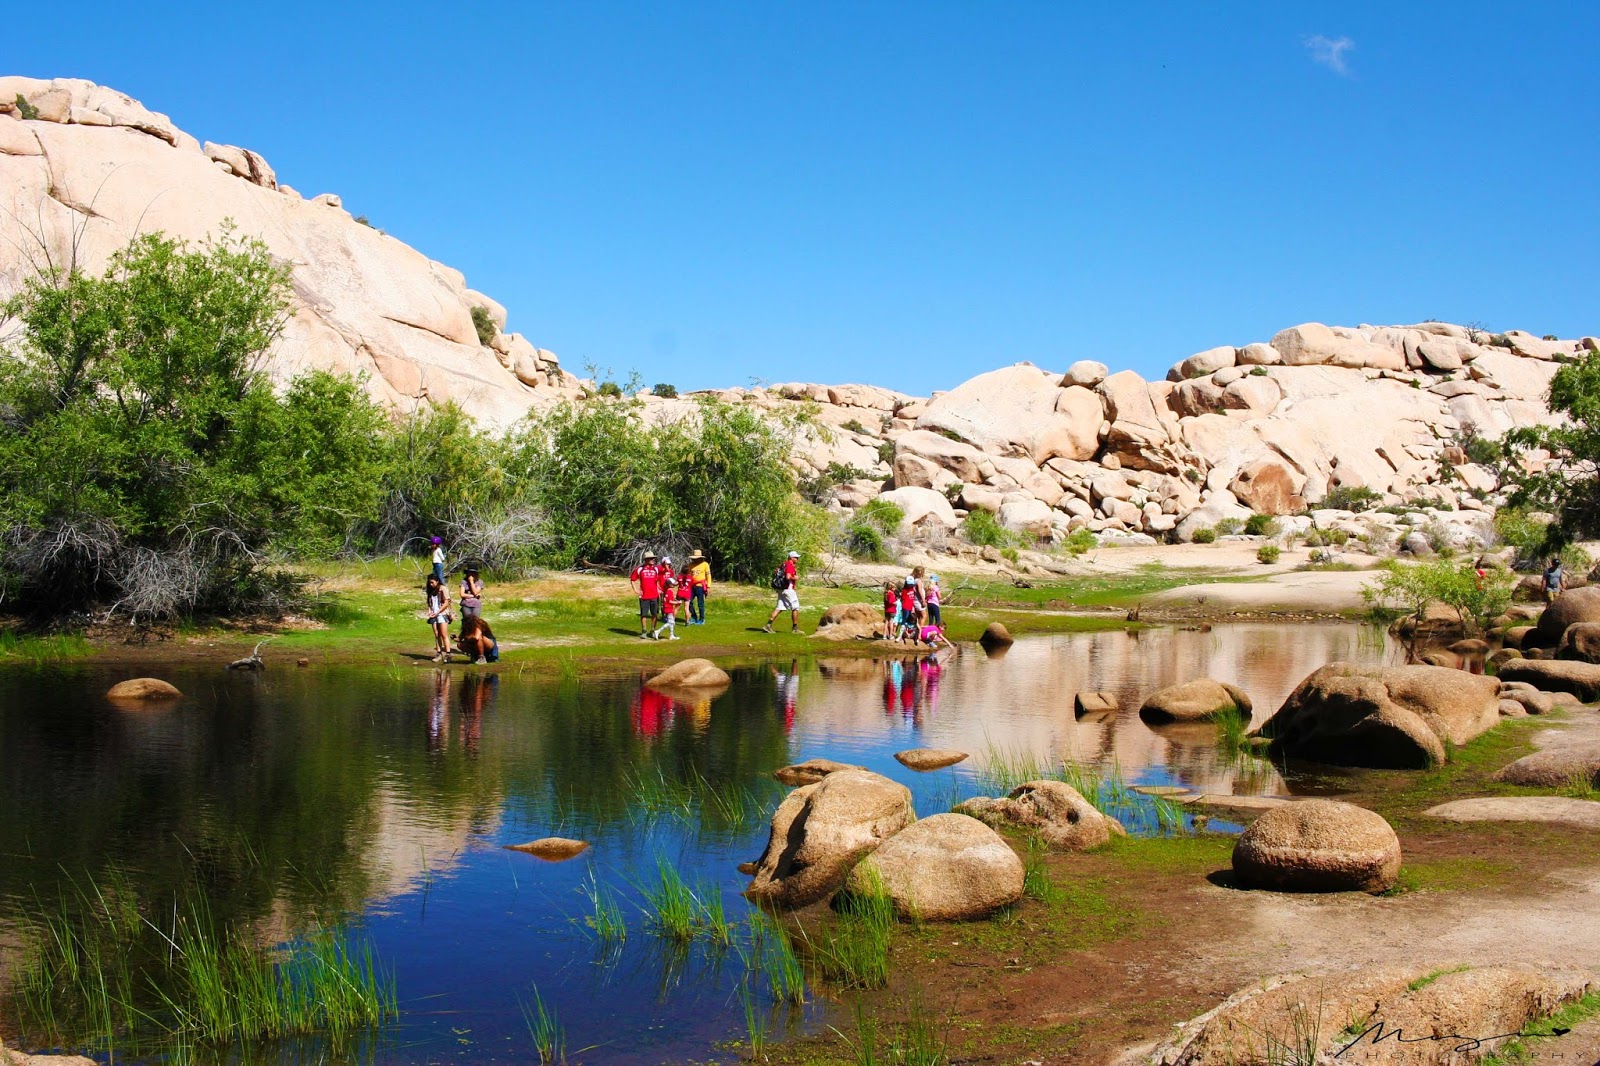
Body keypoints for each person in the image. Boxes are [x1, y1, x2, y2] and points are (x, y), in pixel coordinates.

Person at [763, 550, 802, 633]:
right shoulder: (790, 565)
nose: (797, 559)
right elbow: (788, 577)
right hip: (788, 589)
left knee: (780, 607)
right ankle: (795, 628)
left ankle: (768, 625)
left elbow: (776, 572)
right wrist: (795, 578)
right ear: (791, 557)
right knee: (795, 607)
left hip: (781, 589)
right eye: (796, 557)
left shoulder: (783, 564)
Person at [630, 551, 664, 638]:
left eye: (653, 558)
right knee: (643, 614)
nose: (653, 560)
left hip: (654, 595)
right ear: (646, 559)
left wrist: (659, 588)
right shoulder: (640, 569)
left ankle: (653, 630)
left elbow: (662, 575)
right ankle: (644, 631)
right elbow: (632, 579)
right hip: (644, 596)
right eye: (651, 558)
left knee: (654, 614)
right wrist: (636, 590)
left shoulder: (656, 569)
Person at [424, 574, 453, 661]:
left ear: (437, 581)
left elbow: (447, 602)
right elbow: (430, 602)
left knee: (444, 634)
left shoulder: (443, 589)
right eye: (429, 583)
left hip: (442, 613)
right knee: (437, 635)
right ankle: (438, 653)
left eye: (432, 582)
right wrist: (430, 611)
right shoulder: (430, 590)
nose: (431, 584)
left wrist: (438, 612)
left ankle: (448, 654)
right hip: (434, 614)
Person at [653, 557, 681, 640]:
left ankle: (671, 635)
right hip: (668, 608)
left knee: (672, 622)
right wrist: (677, 602)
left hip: (668, 607)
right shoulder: (669, 591)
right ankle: (657, 631)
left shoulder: (669, 590)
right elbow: (670, 601)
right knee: (671, 622)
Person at [687, 550, 711, 624]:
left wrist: (708, 586)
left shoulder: (705, 564)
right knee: (689, 601)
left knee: (700, 603)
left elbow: (708, 576)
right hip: (692, 586)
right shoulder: (690, 565)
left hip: (700, 586)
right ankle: (694, 617)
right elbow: (689, 575)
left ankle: (702, 619)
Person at [896, 576, 919, 642]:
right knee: (904, 620)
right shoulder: (904, 590)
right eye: (909, 584)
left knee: (913, 620)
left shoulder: (912, 588)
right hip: (905, 607)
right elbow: (902, 599)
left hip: (911, 607)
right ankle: (900, 636)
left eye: (911, 584)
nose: (910, 585)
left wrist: (913, 607)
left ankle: (914, 636)